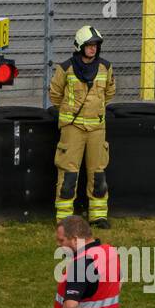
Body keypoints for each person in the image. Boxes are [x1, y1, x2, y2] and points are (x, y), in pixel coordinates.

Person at [50, 25, 116, 227]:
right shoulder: (65, 68)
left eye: (95, 45)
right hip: (73, 128)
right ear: (80, 46)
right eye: (89, 45)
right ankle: (64, 218)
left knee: (98, 173)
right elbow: (55, 95)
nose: (93, 49)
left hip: (97, 128)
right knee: (68, 174)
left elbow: (110, 92)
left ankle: (98, 216)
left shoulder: (106, 67)